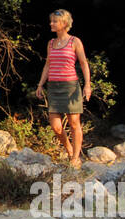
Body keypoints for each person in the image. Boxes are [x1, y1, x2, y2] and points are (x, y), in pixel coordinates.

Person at [34, 9, 92, 168]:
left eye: (54, 21)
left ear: (64, 24)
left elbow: (83, 64)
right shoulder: (50, 43)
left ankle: (75, 158)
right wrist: (40, 84)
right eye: (51, 21)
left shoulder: (75, 41)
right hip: (53, 87)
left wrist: (87, 85)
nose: (51, 24)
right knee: (56, 126)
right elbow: (48, 64)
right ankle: (69, 150)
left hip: (70, 86)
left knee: (74, 124)